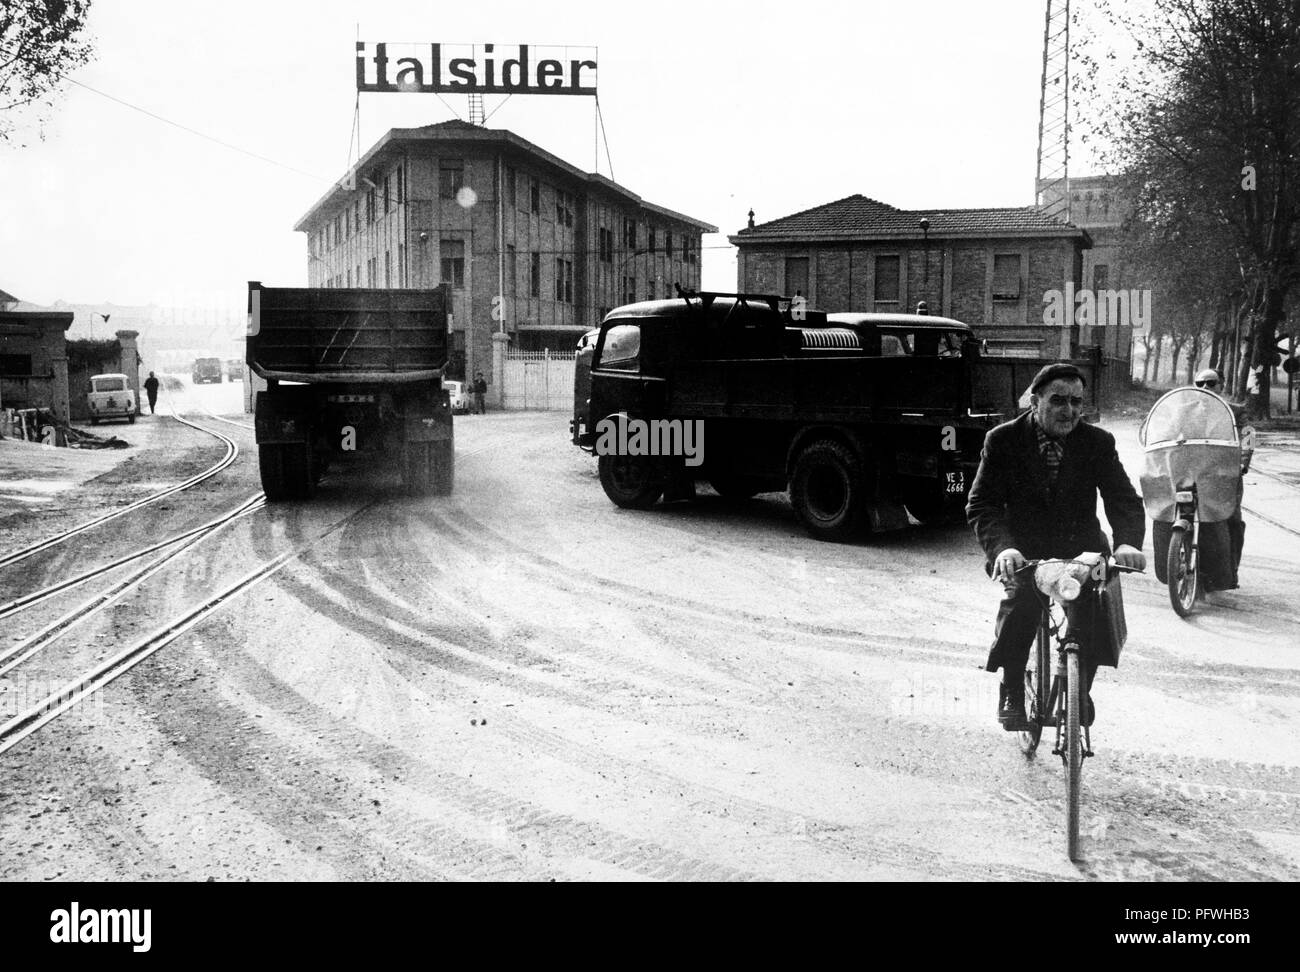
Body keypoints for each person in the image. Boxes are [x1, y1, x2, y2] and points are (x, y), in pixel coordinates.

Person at [966, 362, 1147, 730]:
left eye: (1077, 402)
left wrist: (1128, 542)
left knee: (1098, 600)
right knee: (1022, 605)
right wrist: (1003, 549)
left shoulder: (1097, 442)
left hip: (1084, 550)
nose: (1070, 411)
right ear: (1035, 402)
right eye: (1059, 401)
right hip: (1023, 551)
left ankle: (1081, 688)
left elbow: (1123, 498)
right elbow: (981, 504)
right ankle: (1013, 685)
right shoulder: (1002, 440)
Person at [1193, 367, 1250, 588]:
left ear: (1222, 385)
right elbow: (1170, 431)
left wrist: (1243, 461)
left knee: (1231, 518)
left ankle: (1229, 573)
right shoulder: (1187, 410)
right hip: (1191, 469)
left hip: (1225, 474)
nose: (1205, 387)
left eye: (1211, 382)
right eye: (1200, 384)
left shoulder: (1234, 411)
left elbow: (1248, 435)